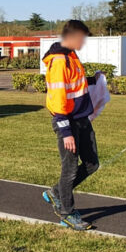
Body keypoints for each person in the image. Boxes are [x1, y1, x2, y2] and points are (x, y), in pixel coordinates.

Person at [40, 20, 104, 231]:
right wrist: (66, 131)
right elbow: (58, 98)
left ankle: (56, 192)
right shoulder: (59, 60)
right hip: (68, 122)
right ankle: (67, 213)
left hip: (81, 119)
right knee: (69, 169)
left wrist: (93, 81)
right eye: (82, 37)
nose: (84, 42)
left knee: (92, 164)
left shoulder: (71, 55)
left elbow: (74, 84)